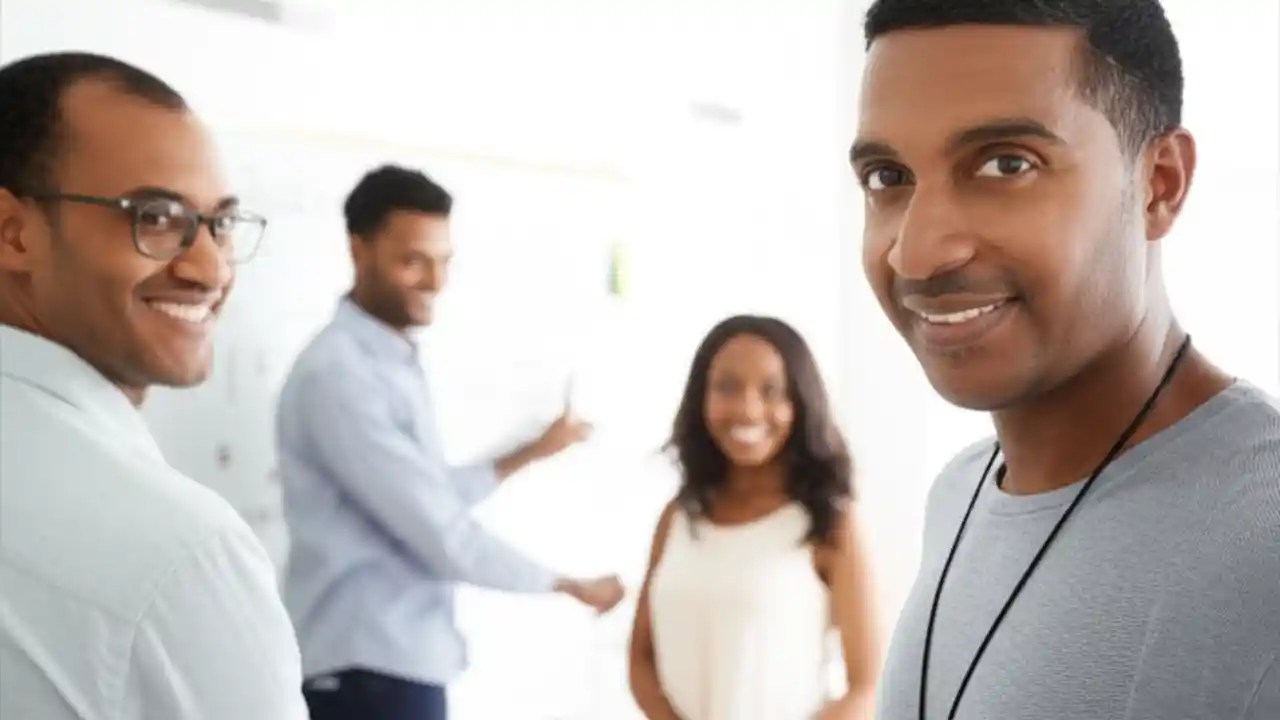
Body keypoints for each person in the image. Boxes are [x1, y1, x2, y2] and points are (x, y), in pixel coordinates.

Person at [850, 1, 1280, 718]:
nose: (916, 251)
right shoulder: (960, 494)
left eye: (1004, 163)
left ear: (1160, 183)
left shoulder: (1261, 544)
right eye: (888, 177)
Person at [0, 53, 305, 719]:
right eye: (156, 217)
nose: (210, 268)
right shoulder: (179, 557)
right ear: (13, 233)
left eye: (220, 223)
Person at [277, 164, 626, 720]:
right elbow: (439, 532)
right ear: (358, 249)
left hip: (394, 664)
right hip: (365, 670)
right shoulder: (338, 375)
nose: (435, 282)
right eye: (413, 260)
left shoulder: (390, 362)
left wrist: (532, 452)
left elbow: (427, 494)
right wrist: (567, 584)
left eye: (444, 262)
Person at [628, 315, 880, 720]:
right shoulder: (677, 517)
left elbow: (866, 687)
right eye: (727, 387)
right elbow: (641, 658)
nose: (748, 409)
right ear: (701, 398)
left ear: (800, 403)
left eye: (771, 390)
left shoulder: (831, 523)